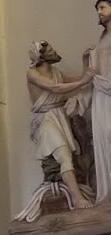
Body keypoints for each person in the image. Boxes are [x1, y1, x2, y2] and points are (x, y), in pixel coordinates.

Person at [26, 40, 94, 209]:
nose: (54, 50)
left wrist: (85, 63)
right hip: (47, 120)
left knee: (68, 157)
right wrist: (83, 81)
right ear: (41, 55)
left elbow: (80, 78)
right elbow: (56, 88)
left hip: (59, 116)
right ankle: (78, 199)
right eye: (49, 48)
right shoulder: (32, 73)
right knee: (63, 154)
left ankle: (77, 195)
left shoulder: (56, 71)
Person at [85, 0, 111, 205]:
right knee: (103, 137)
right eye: (97, 9)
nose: (99, 12)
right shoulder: (102, 38)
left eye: (102, 7)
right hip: (101, 91)